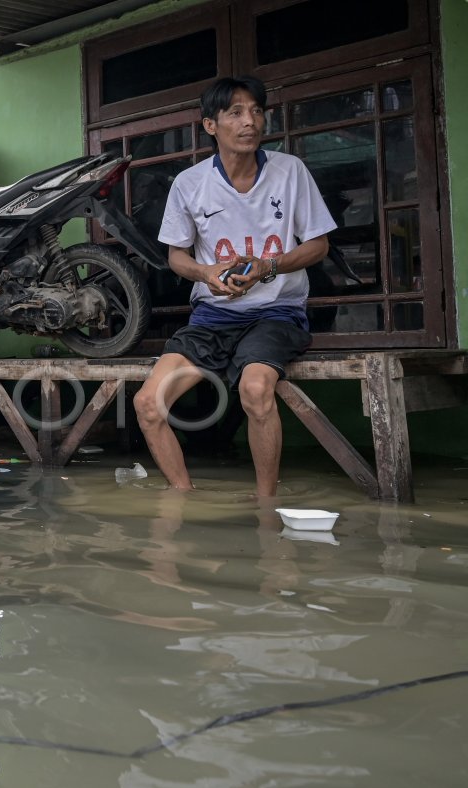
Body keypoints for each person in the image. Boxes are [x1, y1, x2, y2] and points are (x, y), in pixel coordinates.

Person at [133, 75, 337, 496]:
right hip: (212, 317)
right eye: (236, 113)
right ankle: (183, 499)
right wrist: (205, 273)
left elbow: (318, 245)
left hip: (277, 313)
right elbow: (176, 256)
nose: (250, 122)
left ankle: (266, 507)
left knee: (256, 389)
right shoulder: (189, 184)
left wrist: (268, 266)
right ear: (210, 125)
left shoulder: (290, 171)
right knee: (148, 404)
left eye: (257, 111)